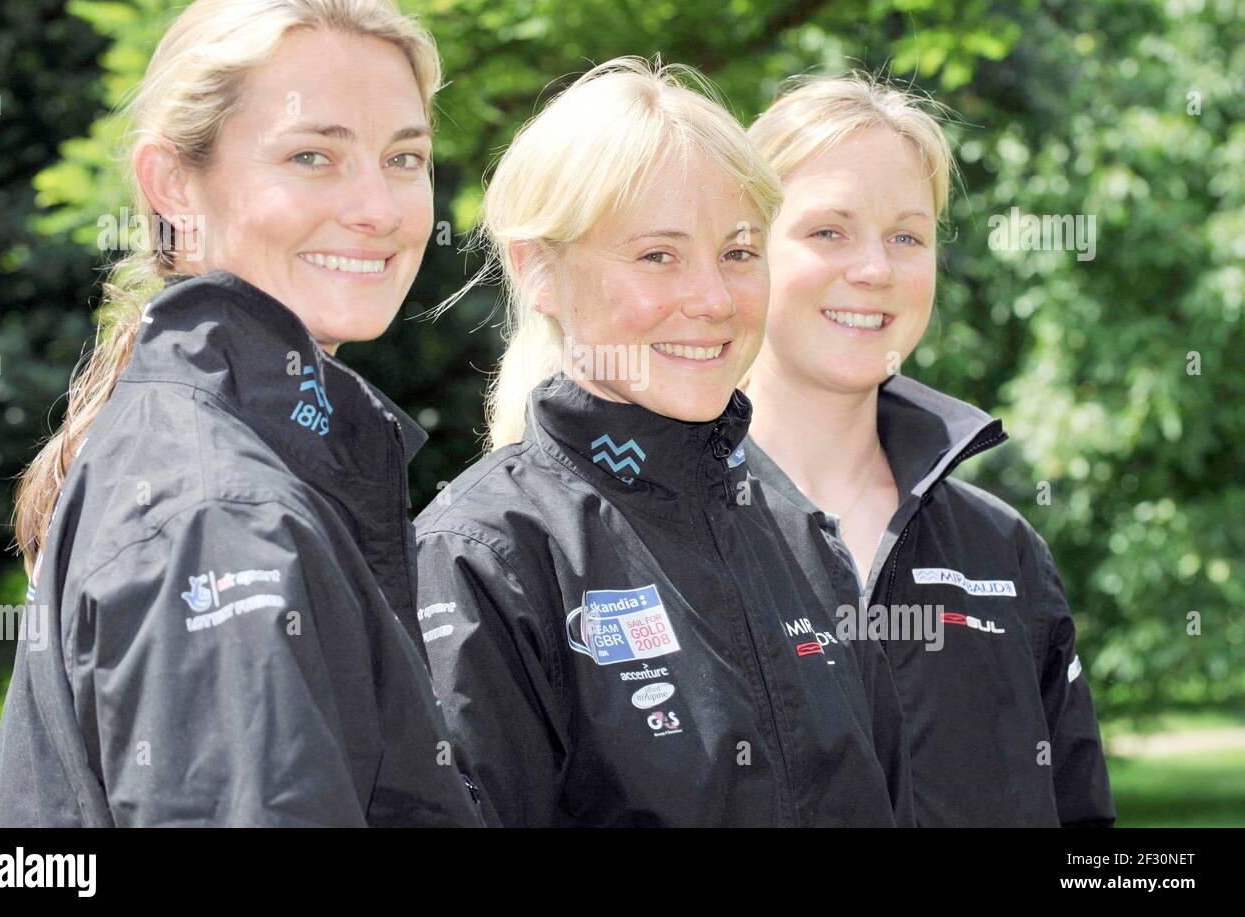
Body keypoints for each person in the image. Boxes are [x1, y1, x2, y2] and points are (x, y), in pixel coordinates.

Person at [0, 0, 483, 827]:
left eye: (404, 157)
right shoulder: (220, 514)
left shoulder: (256, 461)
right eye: (312, 156)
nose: (378, 207)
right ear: (174, 185)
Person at [413, 57, 913, 827]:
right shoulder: (481, 557)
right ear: (538, 269)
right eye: (658, 255)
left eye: (739, 253)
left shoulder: (799, 532)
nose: (712, 299)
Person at [740, 72, 1115, 826]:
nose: (875, 269)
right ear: (744, 249)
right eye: (828, 231)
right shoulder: (661, 538)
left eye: (907, 236)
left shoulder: (1000, 551)